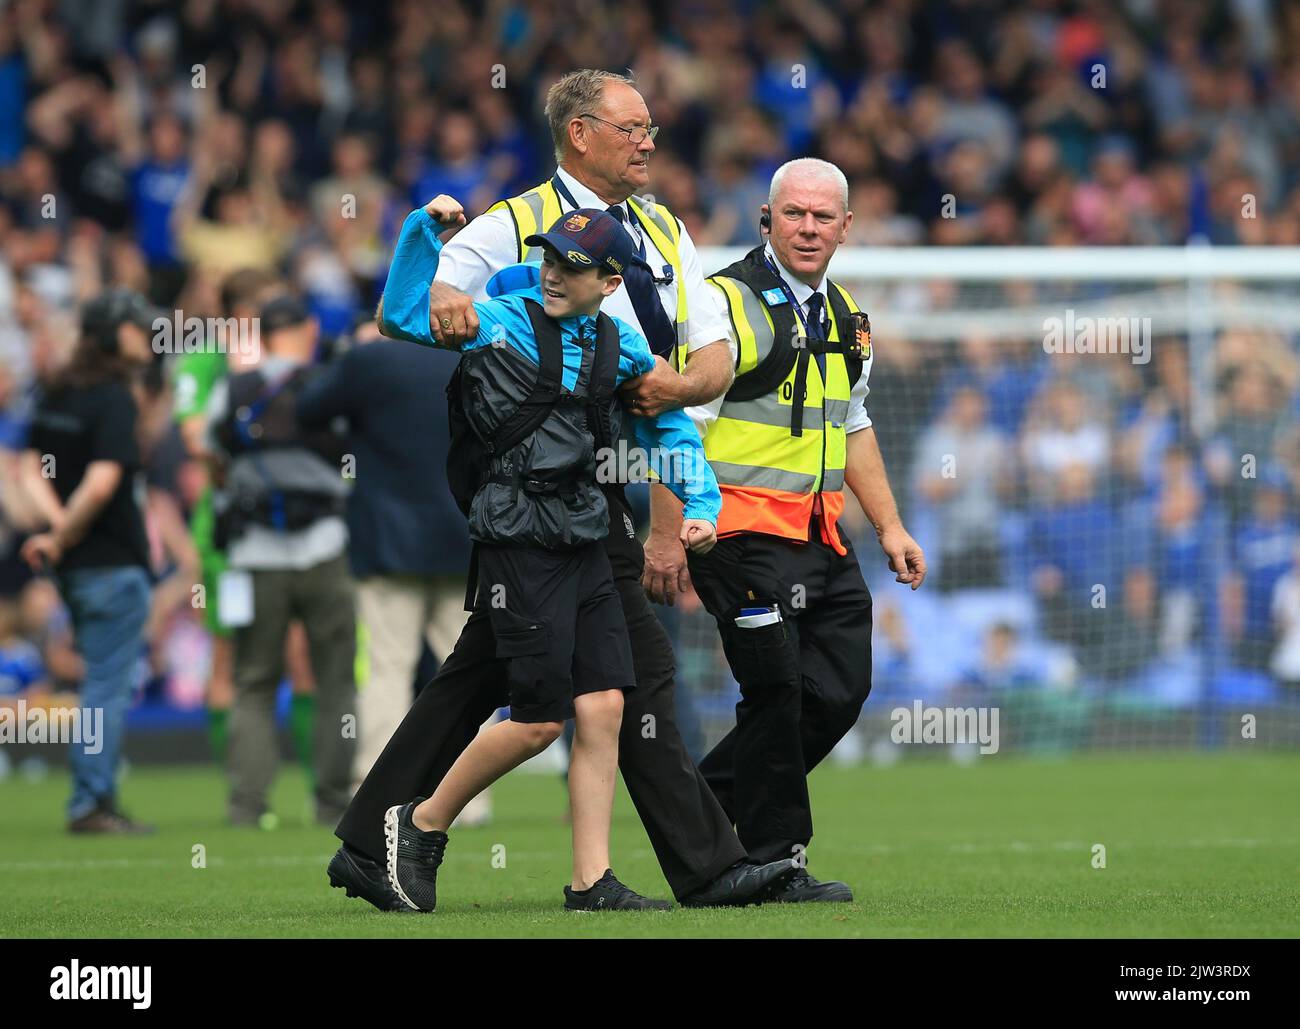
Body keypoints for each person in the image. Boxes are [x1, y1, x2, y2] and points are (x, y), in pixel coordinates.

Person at [329, 69, 791, 911]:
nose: (650, 140)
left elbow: (711, 353)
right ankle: (702, 867)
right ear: (581, 133)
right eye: (634, 126)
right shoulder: (512, 225)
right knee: (613, 685)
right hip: (530, 487)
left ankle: (380, 839)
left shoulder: (661, 228)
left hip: (602, 475)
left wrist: (669, 404)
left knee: (541, 682)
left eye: (651, 127)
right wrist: (430, 265)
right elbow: (427, 305)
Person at [376, 196, 721, 911]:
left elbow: (672, 434)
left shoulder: (624, 348)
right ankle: (418, 823)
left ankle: (591, 882)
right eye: (550, 257)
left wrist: (702, 506)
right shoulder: (497, 321)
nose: (555, 273)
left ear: (610, 282)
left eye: (575, 265)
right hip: (517, 533)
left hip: (588, 533)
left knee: (603, 709)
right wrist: (419, 236)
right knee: (539, 720)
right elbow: (398, 317)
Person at [679, 159, 927, 900]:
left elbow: (852, 425)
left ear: (847, 227)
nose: (809, 228)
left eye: (823, 217)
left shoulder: (850, 319)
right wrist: (669, 533)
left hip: (821, 538)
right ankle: (776, 859)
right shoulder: (724, 303)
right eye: (795, 214)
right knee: (777, 688)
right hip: (738, 532)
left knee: (842, 688)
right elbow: (682, 423)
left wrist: (890, 525)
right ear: (767, 218)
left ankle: (701, 803)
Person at [296, 316, 475, 792]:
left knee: (387, 669)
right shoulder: (468, 356)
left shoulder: (370, 359)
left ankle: (377, 787)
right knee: (466, 673)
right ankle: (466, 797)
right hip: (463, 536)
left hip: (387, 541)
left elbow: (307, 409)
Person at [205, 295, 356, 827]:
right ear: (309, 328)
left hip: (253, 553)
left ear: (262, 335)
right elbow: (352, 457)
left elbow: (211, 452)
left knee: (253, 680)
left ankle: (247, 806)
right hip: (326, 549)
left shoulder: (235, 388)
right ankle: (334, 803)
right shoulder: (330, 382)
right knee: (336, 679)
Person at [20, 288, 158, 834]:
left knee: (94, 684)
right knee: (106, 689)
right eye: (135, 327)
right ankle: (91, 803)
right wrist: (64, 536)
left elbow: (30, 469)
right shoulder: (112, 398)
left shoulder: (56, 391)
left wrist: (56, 532)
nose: (147, 335)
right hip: (113, 564)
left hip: (75, 568)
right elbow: (102, 485)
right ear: (110, 335)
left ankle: (92, 797)